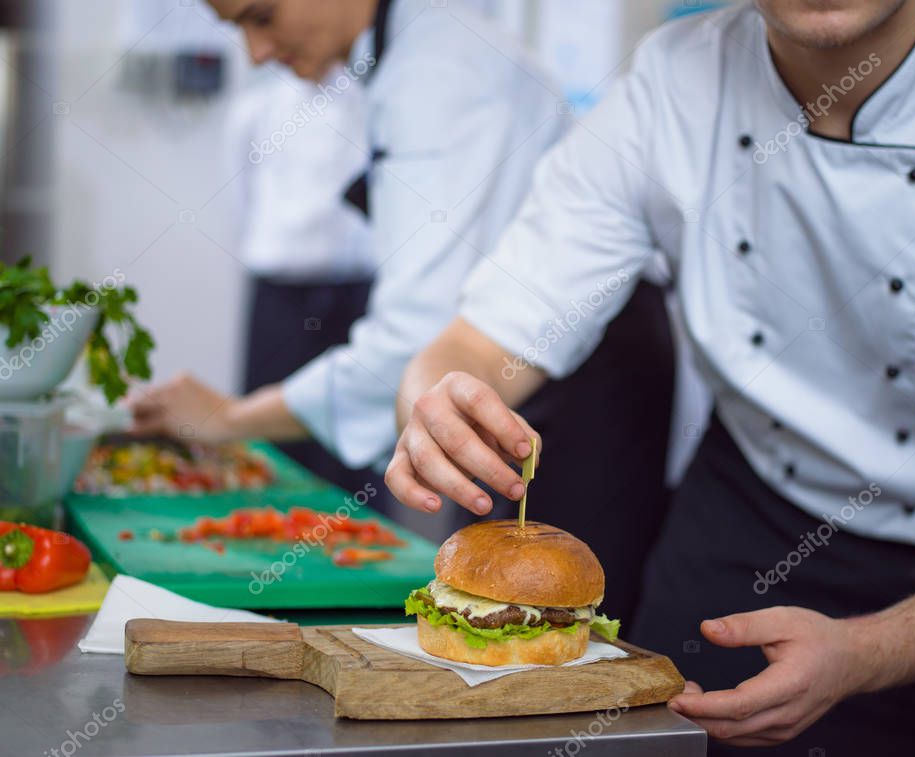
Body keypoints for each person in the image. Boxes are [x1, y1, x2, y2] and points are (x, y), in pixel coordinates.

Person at [383, 0, 915, 754]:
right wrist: (438, 397)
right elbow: (498, 329)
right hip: (748, 517)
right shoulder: (670, 79)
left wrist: (869, 650)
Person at [129, 0, 680, 626]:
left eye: (262, 17)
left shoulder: (444, 75)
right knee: (508, 616)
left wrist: (231, 418)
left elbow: (412, 343)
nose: (257, 53)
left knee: (563, 629)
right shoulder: (405, 57)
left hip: (582, 384)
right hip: (518, 370)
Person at [228, 66, 378, 494]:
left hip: (356, 291)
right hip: (281, 292)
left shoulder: (372, 100)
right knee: (271, 442)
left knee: (354, 437)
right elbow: (240, 199)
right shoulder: (257, 104)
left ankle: (361, 545)